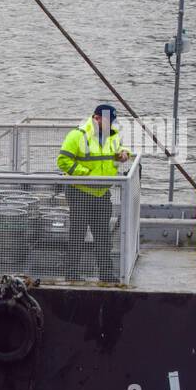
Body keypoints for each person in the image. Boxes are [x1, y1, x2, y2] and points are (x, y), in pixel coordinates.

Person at [58, 104, 131, 282]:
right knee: (77, 237)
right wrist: (87, 175)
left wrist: (124, 154)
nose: (109, 125)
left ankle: (106, 275)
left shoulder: (112, 135)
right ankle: (72, 276)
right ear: (96, 118)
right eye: (106, 122)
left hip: (102, 194)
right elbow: (63, 161)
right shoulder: (78, 135)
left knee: (103, 238)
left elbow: (120, 149)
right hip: (80, 194)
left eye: (111, 122)